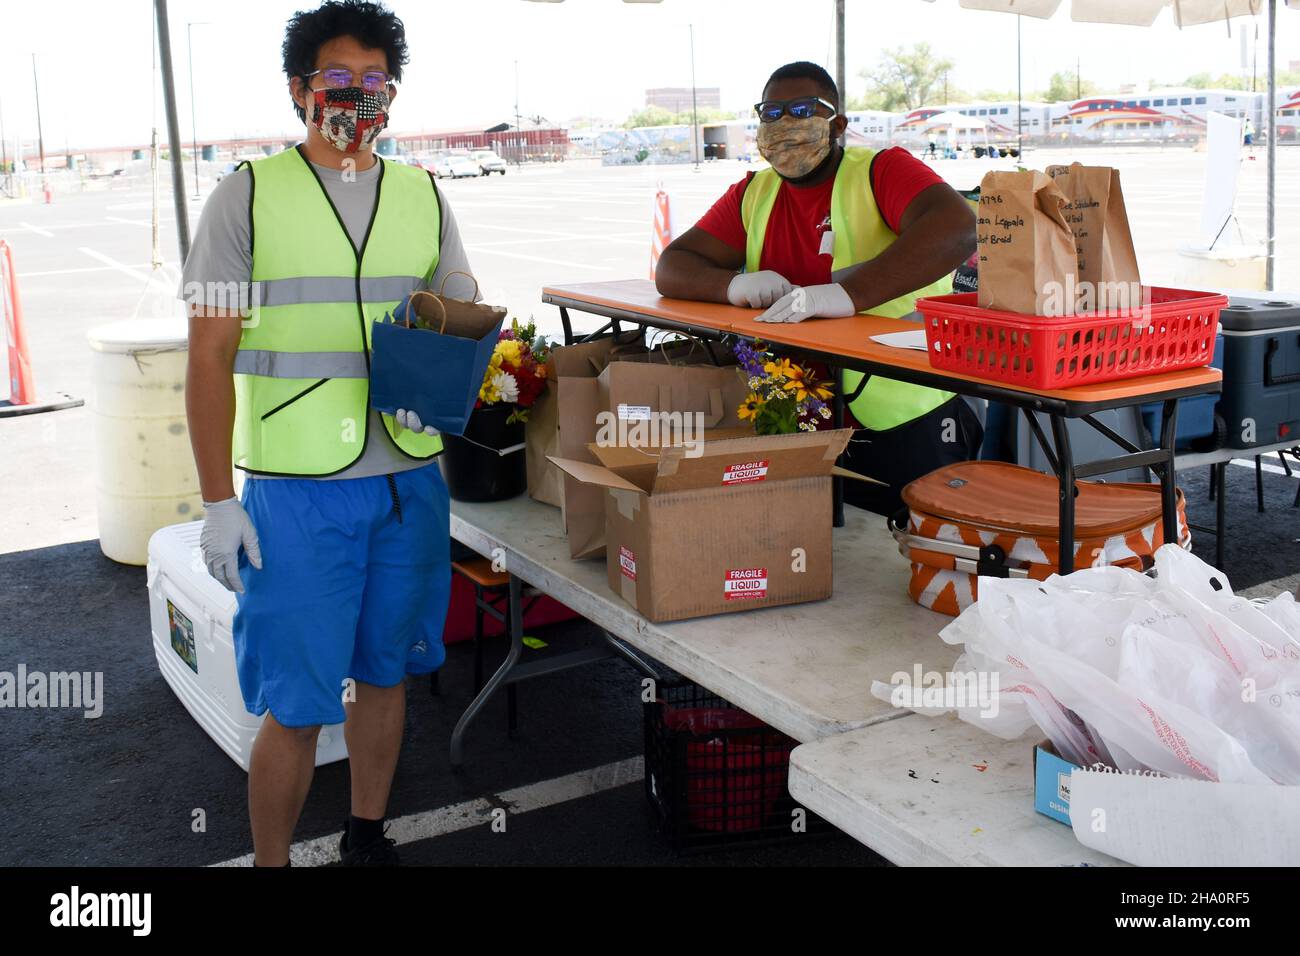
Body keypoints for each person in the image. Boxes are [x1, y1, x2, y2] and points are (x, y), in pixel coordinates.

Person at [181, 0, 475, 866]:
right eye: (337, 81)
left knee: (386, 674)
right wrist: (215, 502)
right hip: (298, 497)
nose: (357, 97)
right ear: (298, 90)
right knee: (299, 702)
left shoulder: (423, 192)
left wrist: (446, 376)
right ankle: (272, 862)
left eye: (375, 82)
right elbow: (207, 359)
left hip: (407, 482)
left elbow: (457, 309)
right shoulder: (247, 196)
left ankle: (367, 837)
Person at [655, 61, 980, 515]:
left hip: (899, 414)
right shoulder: (754, 193)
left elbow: (958, 227)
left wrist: (847, 295)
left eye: (803, 109)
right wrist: (731, 285)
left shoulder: (881, 171)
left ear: (838, 123)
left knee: (906, 553)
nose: (785, 124)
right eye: (771, 113)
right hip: (796, 417)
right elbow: (673, 266)